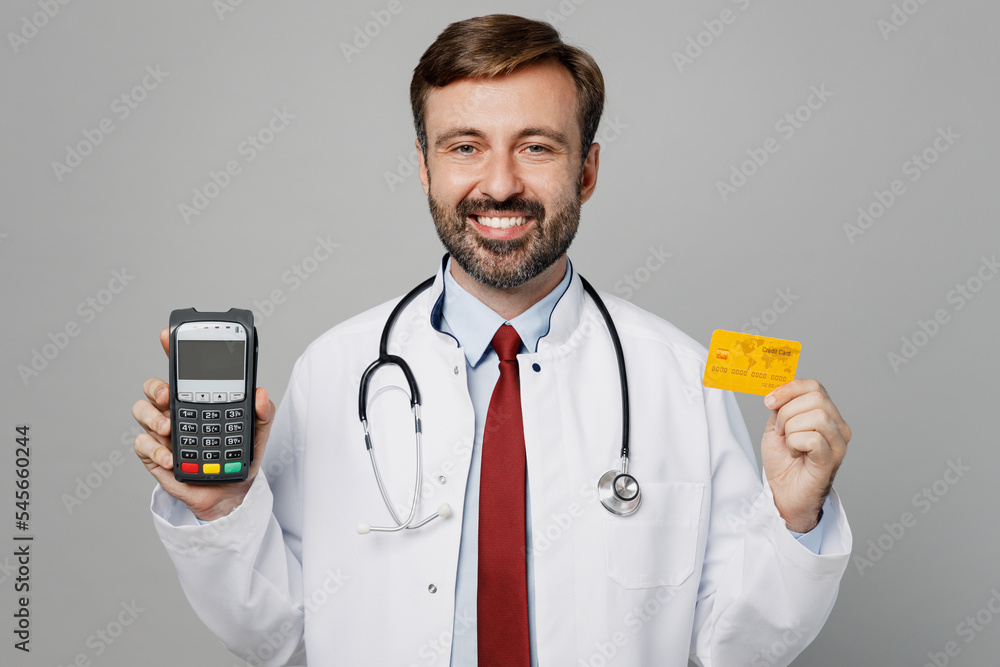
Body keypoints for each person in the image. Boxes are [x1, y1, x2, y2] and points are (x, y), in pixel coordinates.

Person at [133, 14, 852, 667]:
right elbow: (278, 634)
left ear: (588, 170)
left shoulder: (681, 377)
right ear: (424, 167)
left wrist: (794, 519)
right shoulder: (337, 370)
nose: (499, 184)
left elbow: (737, 648)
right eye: (465, 146)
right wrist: (220, 510)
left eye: (536, 147)